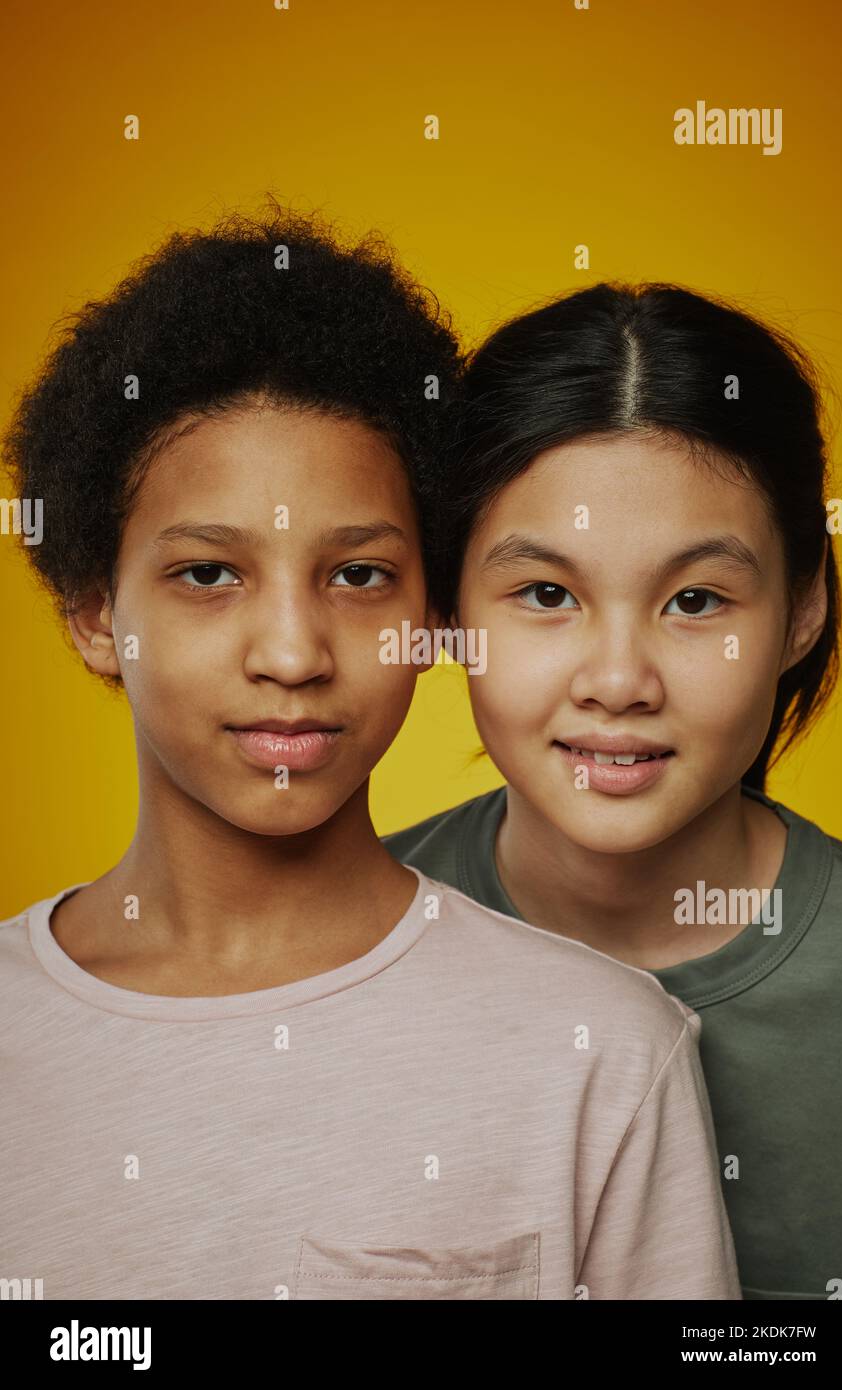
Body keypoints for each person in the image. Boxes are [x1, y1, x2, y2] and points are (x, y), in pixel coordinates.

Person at [0, 220, 739, 1300]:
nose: (294, 652)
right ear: (92, 609)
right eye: (208, 573)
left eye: (357, 576)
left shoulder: (599, 1054)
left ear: (433, 610)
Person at [385, 281, 842, 1301]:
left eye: (694, 600)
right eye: (545, 595)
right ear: (445, 608)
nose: (616, 679)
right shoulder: (336, 957)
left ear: (801, 609)